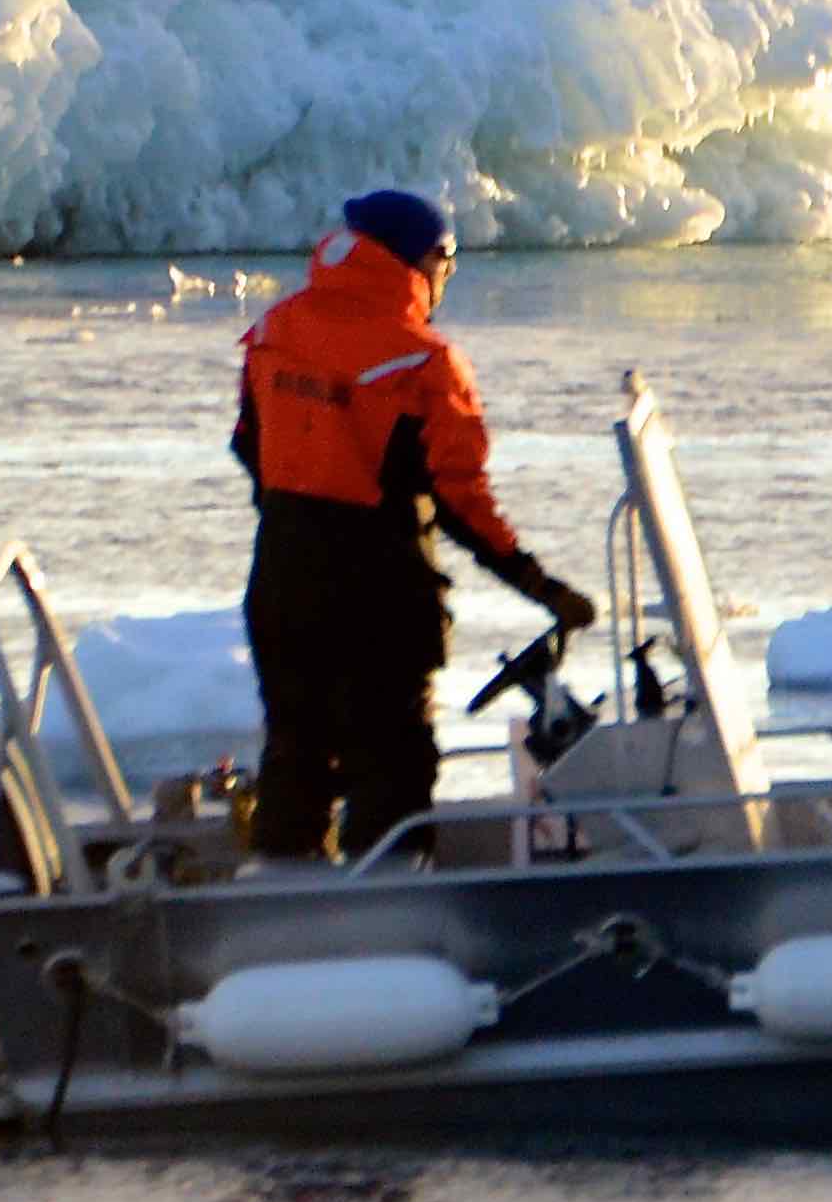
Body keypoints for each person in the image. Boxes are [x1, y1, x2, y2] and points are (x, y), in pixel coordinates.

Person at [229, 188, 593, 864]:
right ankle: (389, 907)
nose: (449, 275)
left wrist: (303, 519)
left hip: (281, 577)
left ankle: (277, 897)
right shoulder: (424, 361)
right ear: (418, 260)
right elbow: (460, 501)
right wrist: (538, 584)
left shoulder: (274, 330)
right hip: (380, 589)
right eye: (447, 259)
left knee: (295, 748)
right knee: (391, 757)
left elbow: (249, 447)